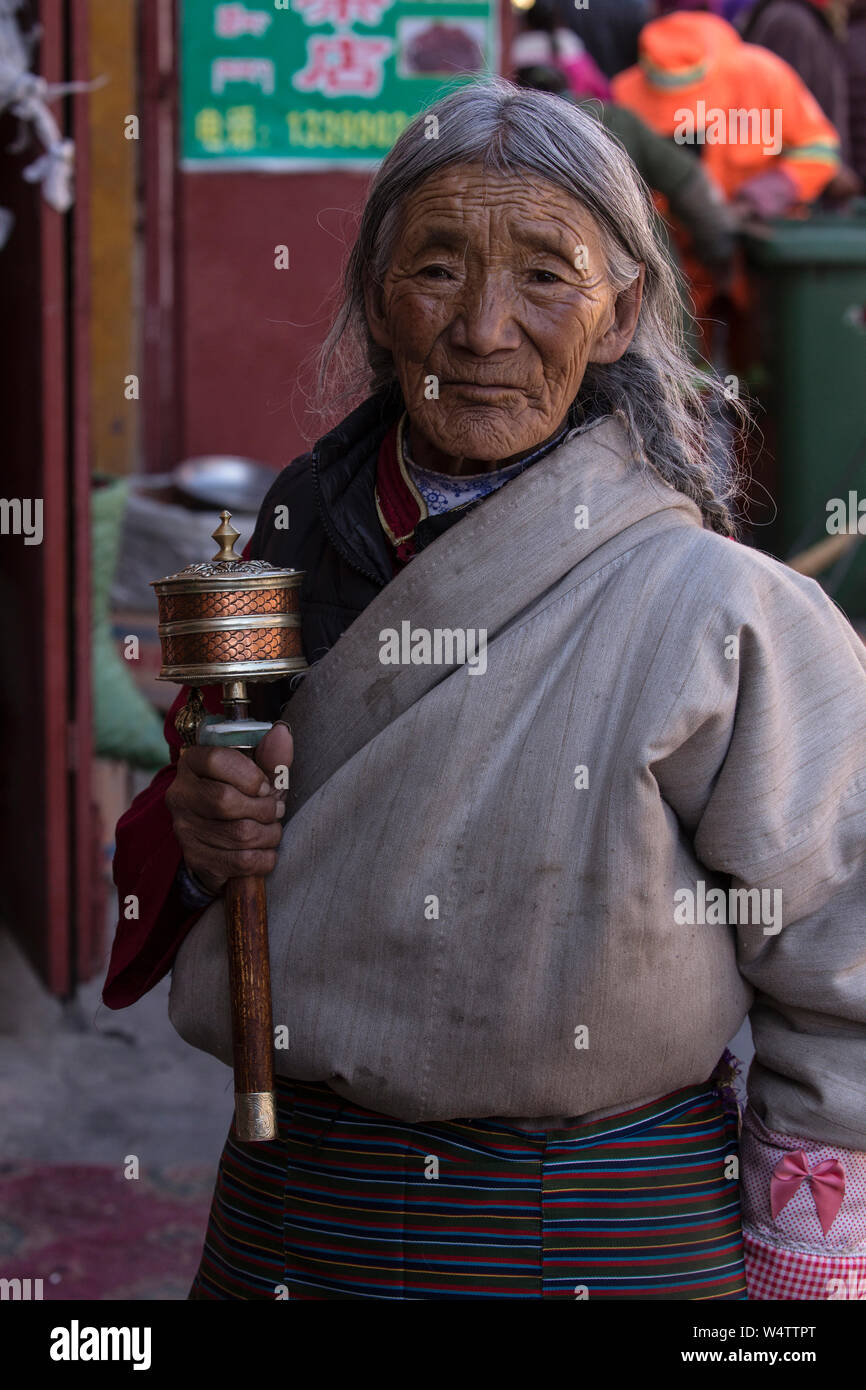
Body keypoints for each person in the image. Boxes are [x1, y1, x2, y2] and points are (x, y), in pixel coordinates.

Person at [105, 79, 866, 1301]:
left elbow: (847, 965)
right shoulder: (282, 568)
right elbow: (189, 844)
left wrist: (805, 1266)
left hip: (602, 1230)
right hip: (299, 1214)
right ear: (374, 304)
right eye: (437, 270)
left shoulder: (721, 613)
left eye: (545, 278)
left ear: (619, 316)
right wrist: (202, 839)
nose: (482, 329)